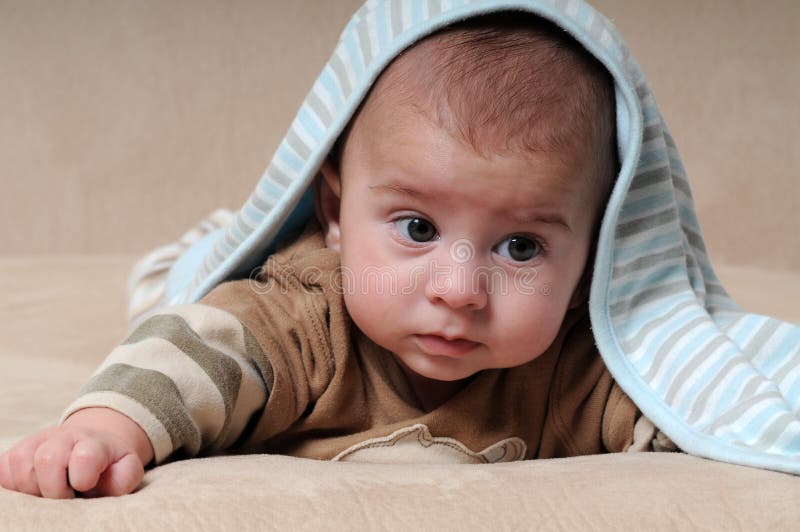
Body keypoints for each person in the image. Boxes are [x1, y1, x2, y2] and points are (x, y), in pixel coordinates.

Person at [0, 12, 646, 499]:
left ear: (593, 252)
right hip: (262, 281)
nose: (458, 289)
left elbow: (677, 407)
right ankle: (206, 247)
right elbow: (201, 351)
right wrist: (105, 429)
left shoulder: (579, 365)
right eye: (418, 227)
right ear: (335, 210)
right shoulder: (303, 320)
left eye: (521, 247)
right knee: (176, 295)